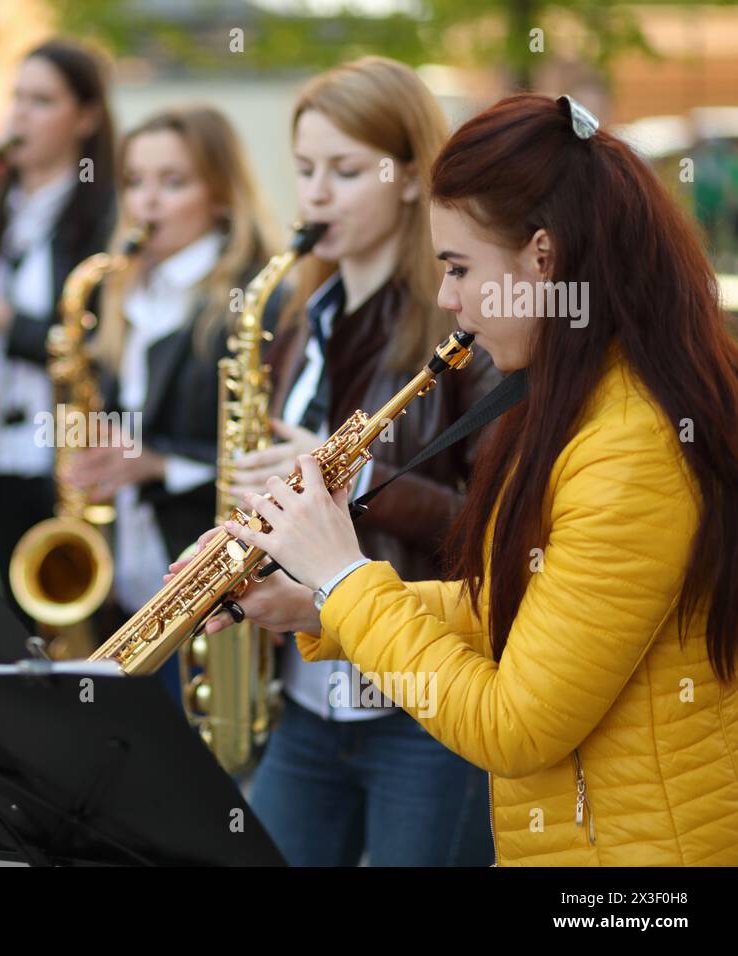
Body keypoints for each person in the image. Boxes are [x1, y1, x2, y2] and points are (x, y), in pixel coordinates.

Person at [193, 93, 738, 865]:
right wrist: (313, 604)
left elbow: (512, 727)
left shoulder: (630, 451)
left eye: (458, 268)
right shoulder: (584, 399)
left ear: (542, 259)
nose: (447, 298)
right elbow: (526, 612)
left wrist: (343, 578)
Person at [222, 57, 498, 866]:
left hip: (420, 710)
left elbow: (494, 533)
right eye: (305, 169)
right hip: (308, 702)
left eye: (345, 171)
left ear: (412, 177)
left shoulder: (465, 334)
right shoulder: (300, 322)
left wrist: (361, 480)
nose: (313, 194)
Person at [67, 105, 277, 697]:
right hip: (128, 578)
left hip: (211, 595)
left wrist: (157, 463)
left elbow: (275, 458)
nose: (147, 202)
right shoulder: (121, 290)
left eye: (173, 182)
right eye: (135, 181)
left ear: (220, 194)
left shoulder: (251, 303)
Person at [0, 39, 117, 621]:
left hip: (65, 460)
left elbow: (102, 348)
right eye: (16, 97)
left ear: (86, 117)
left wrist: (3, 323)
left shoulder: (105, 218)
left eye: (41, 101)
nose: (19, 115)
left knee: (75, 630)